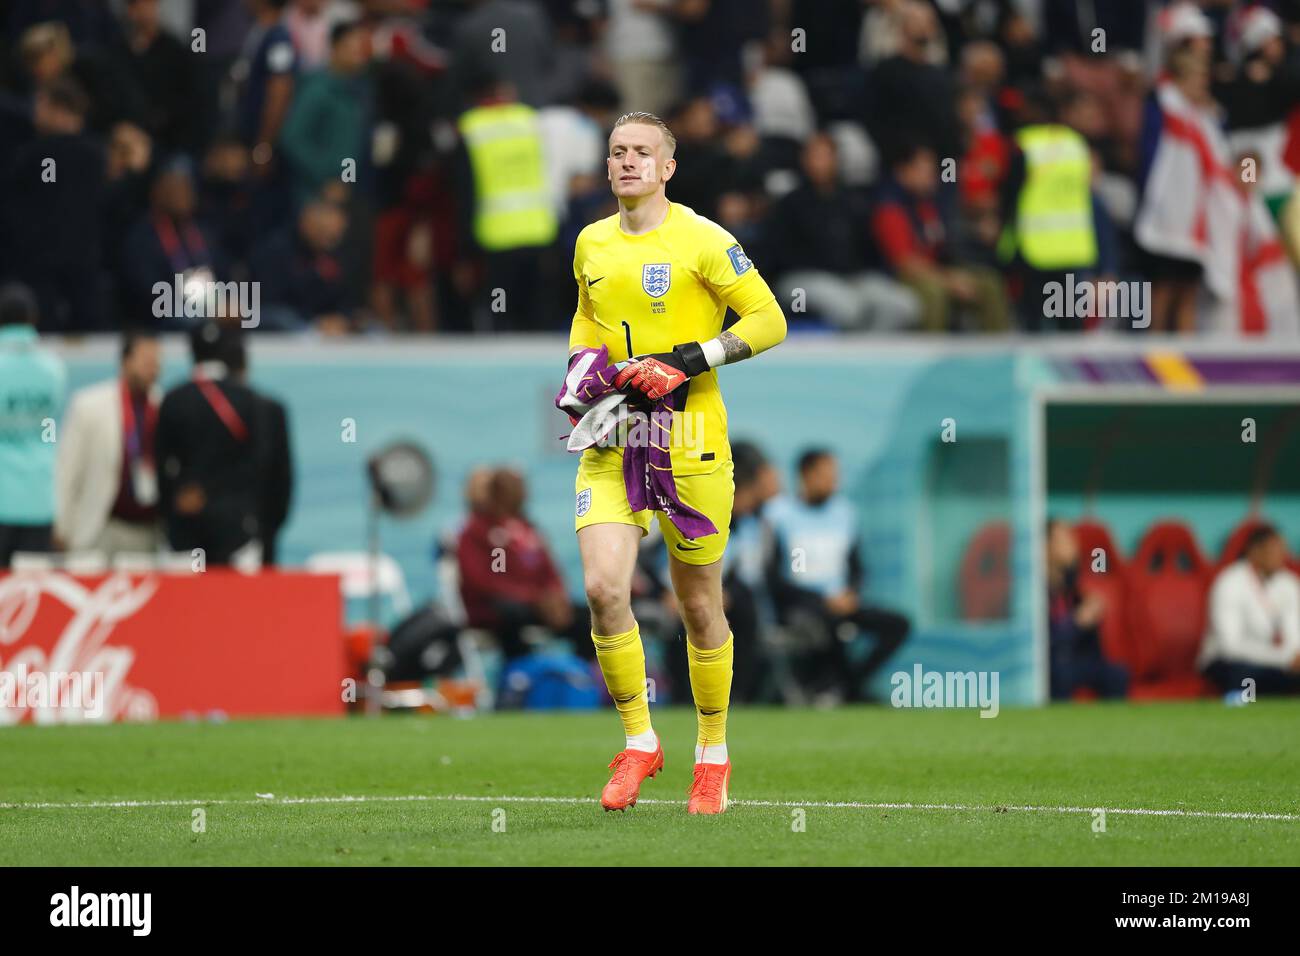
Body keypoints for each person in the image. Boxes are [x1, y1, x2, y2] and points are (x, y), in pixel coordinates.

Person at [565, 110, 786, 813]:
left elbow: (769, 319)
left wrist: (689, 359)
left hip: (691, 441)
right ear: (607, 168)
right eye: (617, 152)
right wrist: (578, 372)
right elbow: (587, 319)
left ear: (667, 167)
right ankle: (639, 743)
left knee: (698, 606)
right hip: (615, 439)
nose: (628, 161)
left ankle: (712, 755)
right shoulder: (591, 243)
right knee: (604, 591)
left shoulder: (705, 239)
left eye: (642, 152)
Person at [764, 449, 910, 703]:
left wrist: (851, 593)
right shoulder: (779, 515)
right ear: (805, 475)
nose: (833, 482)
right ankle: (839, 689)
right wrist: (822, 599)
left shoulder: (845, 513)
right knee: (824, 622)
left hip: (842, 603)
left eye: (835, 475)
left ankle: (848, 686)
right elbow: (774, 578)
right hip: (802, 605)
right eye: (825, 475)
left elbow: (856, 567)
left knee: (898, 625)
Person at [155, 321, 264, 568]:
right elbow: (256, 464)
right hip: (235, 530)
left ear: (192, 352)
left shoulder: (173, 400)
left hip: (186, 528)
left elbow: (161, 465)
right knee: (234, 605)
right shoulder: (248, 400)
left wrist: (174, 503)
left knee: (187, 605)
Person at [455, 467, 591, 661]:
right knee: (511, 614)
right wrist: (535, 599)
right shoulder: (480, 532)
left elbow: (549, 571)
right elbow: (490, 581)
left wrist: (556, 595)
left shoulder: (528, 530)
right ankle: (520, 679)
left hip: (534, 603)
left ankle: (582, 678)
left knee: (586, 616)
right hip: (498, 608)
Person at [54, 331, 163, 558]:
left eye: (156, 364)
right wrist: (61, 525)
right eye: (146, 362)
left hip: (148, 530)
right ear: (126, 361)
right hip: (101, 526)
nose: (153, 370)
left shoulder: (161, 406)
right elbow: (67, 471)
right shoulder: (89, 405)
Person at [0, 283, 66, 567]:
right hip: (40, 497)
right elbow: (50, 427)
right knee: (32, 597)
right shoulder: (53, 368)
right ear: (33, 319)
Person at [1199, 525, 1300, 697]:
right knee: (1246, 677)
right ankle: (1243, 709)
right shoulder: (1230, 582)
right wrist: (1283, 658)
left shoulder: (1289, 583)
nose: (1281, 556)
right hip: (1230, 662)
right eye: (1273, 550)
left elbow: (1294, 637)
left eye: (1282, 550)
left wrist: (1293, 658)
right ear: (1254, 551)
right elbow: (1230, 646)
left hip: (1277, 663)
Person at [1045, 518, 1129, 700]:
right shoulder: (1034, 592)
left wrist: (1092, 614)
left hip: (1078, 660)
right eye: (1065, 539)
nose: (1074, 545)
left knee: (1116, 674)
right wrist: (1078, 621)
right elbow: (1045, 641)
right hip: (1051, 664)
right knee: (1060, 674)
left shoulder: (1072, 587)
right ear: (1046, 547)